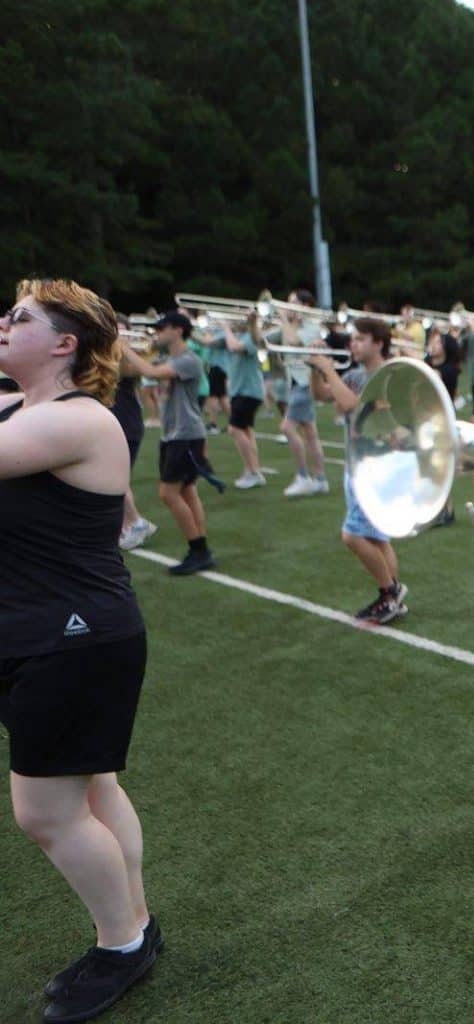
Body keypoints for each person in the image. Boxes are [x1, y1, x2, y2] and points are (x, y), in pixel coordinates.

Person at [0, 280, 163, 1022]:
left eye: (20, 318)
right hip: (41, 634)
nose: (4, 323)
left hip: (75, 639)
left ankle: (121, 945)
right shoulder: (19, 408)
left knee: (44, 812)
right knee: (94, 790)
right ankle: (136, 924)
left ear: (65, 345)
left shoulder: (82, 419)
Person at [308, 319, 409, 625]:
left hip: (376, 467)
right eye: (352, 339)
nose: (353, 344)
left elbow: (352, 404)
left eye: (361, 339)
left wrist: (328, 369)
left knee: (352, 535)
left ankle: (389, 594)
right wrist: (315, 370)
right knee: (377, 538)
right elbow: (322, 396)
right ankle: (394, 597)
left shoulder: (386, 376)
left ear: (379, 343)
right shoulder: (354, 375)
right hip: (357, 464)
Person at [122, 312, 220, 575]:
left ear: (178, 330)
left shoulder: (189, 360)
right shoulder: (170, 358)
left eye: (161, 328)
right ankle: (201, 549)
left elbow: (151, 372)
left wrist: (123, 347)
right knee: (187, 491)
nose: (157, 332)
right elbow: (133, 371)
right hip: (175, 434)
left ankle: (198, 549)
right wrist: (126, 352)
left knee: (168, 493)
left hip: (185, 434)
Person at [270, 291, 328, 497]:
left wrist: (284, 318)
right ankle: (320, 479)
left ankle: (303, 477)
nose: (288, 306)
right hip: (295, 383)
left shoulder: (312, 327)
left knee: (286, 428)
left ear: (305, 306)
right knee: (310, 434)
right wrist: (251, 324)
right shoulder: (288, 326)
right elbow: (261, 340)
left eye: (293, 303)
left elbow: (293, 342)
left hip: (305, 382)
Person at [111, 325, 158, 551]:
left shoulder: (128, 362)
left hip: (126, 424)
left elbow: (124, 372)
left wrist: (122, 347)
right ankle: (126, 525)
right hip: (116, 422)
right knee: (113, 478)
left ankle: (136, 522)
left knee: (114, 478)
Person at [220, 311, 269, 489]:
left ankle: (254, 472)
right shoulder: (240, 336)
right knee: (246, 431)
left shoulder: (250, 337)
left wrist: (226, 327)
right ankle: (252, 470)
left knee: (234, 429)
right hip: (241, 391)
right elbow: (209, 342)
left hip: (248, 391)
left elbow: (234, 347)